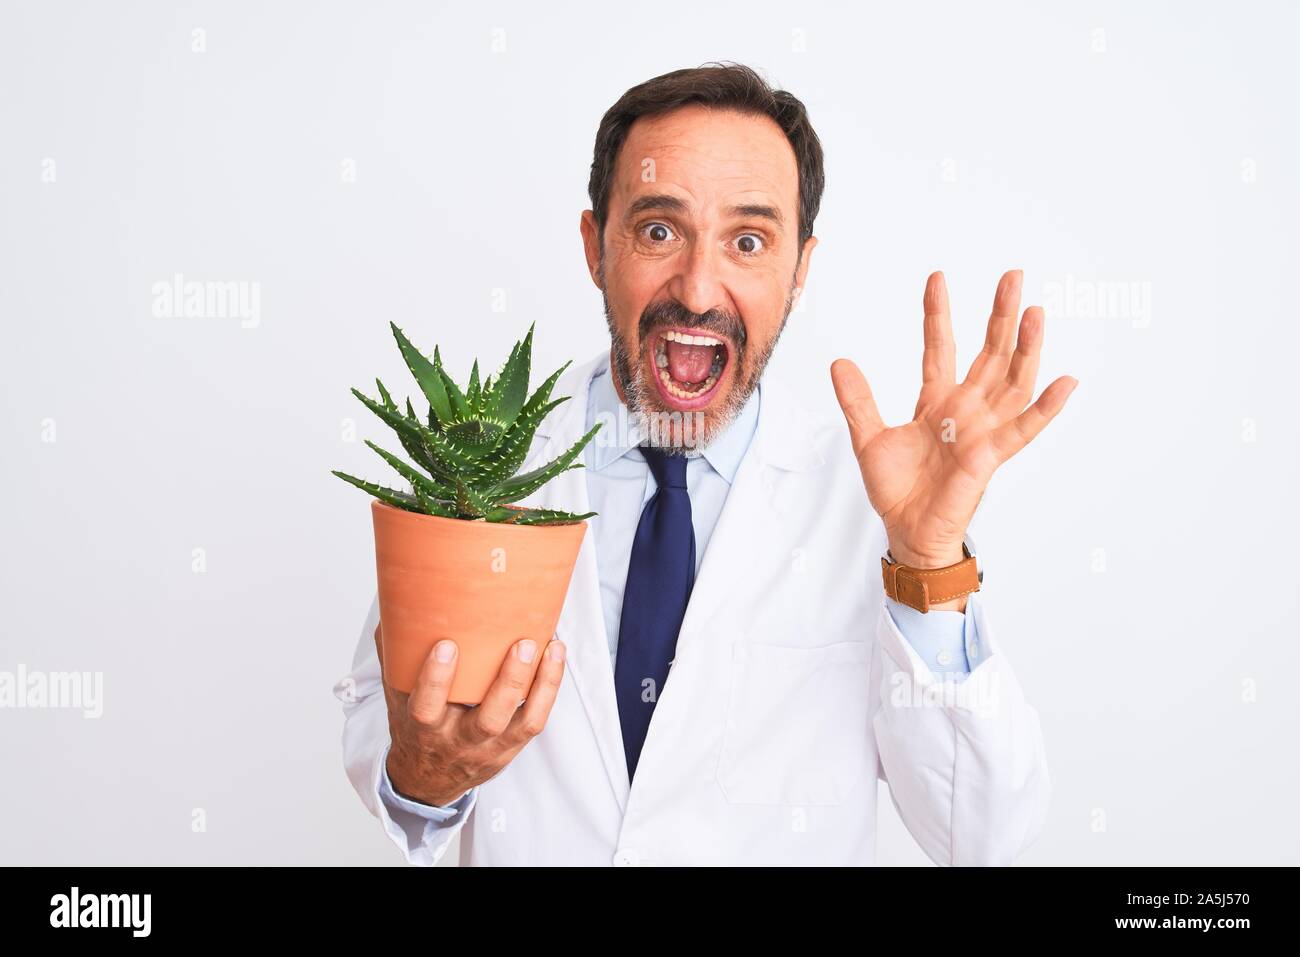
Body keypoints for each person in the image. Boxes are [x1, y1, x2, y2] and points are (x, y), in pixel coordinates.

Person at [336, 62, 1076, 866]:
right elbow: (389, 742)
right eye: (658, 230)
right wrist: (422, 774)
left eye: (748, 241)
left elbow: (986, 837)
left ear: (799, 270)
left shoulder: (871, 509)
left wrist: (930, 565)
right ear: (595, 246)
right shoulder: (481, 471)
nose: (696, 289)